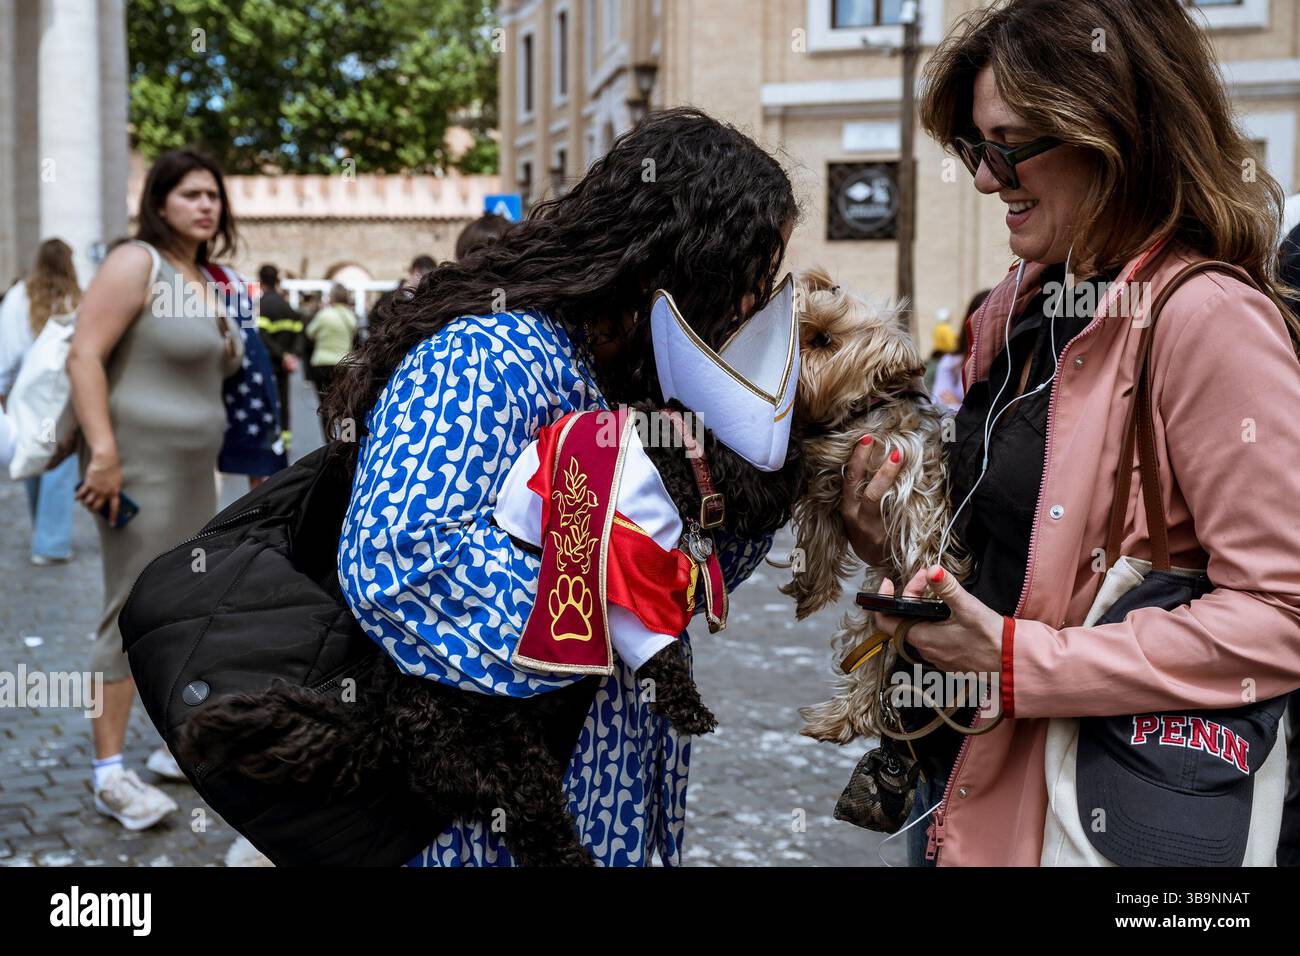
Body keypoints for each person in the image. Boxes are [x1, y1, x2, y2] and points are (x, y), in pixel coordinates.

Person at [841, 0, 1300, 867]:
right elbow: (1011, 552)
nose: (986, 179)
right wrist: (895, 544)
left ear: (1115, 134)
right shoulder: (1015, 305)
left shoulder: (1207, 318)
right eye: (978, 148)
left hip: (1093, 801)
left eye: (1010, 145)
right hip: (961, 776)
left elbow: (1281, 614)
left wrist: (1022, 663)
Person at [327, 106, 796, 866]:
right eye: (745, 275)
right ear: (683, 256)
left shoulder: (640, 377)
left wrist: (756, 484)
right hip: (487, 823)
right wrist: (611, 603)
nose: (749, 305)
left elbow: (684, 581)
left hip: (614, 790)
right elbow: (403, 561)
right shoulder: (490, 354)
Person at [67, 147, 244, 830]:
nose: (206, 206)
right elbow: (84, 351)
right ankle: (109, 774)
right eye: (190, 195)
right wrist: (103, 453)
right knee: (128, 610)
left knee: (184, 608)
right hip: (136, 471)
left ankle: (178, 740)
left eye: (214, 196)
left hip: (195, 474)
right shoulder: (135, 261)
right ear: (160, 202)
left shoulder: (198, 276)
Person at [0, 238, 82, 565]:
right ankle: (51, 542)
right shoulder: (78, 297)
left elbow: (7, 348)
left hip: (26, 394)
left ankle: (44, 532)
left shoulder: (20, 296)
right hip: (63, 393)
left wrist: (3, 389)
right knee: (59, 465)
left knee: (33, 457)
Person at [255, 264, 304, 449]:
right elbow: (299, 332)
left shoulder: (264, 304)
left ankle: (271, 439)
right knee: (284, 400)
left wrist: (281, 355)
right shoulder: (287, 306)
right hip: (285, 364)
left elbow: (263, 335)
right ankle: (285, 439)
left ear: (260, 281)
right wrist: (292, 355)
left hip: (269, 362)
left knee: (267, 400)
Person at [303, 283, 357, 402]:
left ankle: (326, 421)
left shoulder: (323, 315)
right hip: (343, 362)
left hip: (322, 362)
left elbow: (309, 332)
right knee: (341, 402)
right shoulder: (351, 317)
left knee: (324, 402)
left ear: (332, 298)